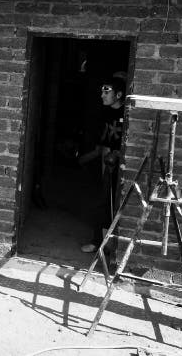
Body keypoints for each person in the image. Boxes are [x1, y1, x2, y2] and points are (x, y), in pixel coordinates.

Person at [79, 75, 126, 253]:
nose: (102, 95)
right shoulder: (105, 112)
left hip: (119, 163)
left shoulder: (127, 113)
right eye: (102, 91)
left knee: (114, 202)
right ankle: (98, 241)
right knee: (102, 201)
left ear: (119, 94)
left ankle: (110, 246)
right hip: (106, 161)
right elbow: (102, 142)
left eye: (107, 91)